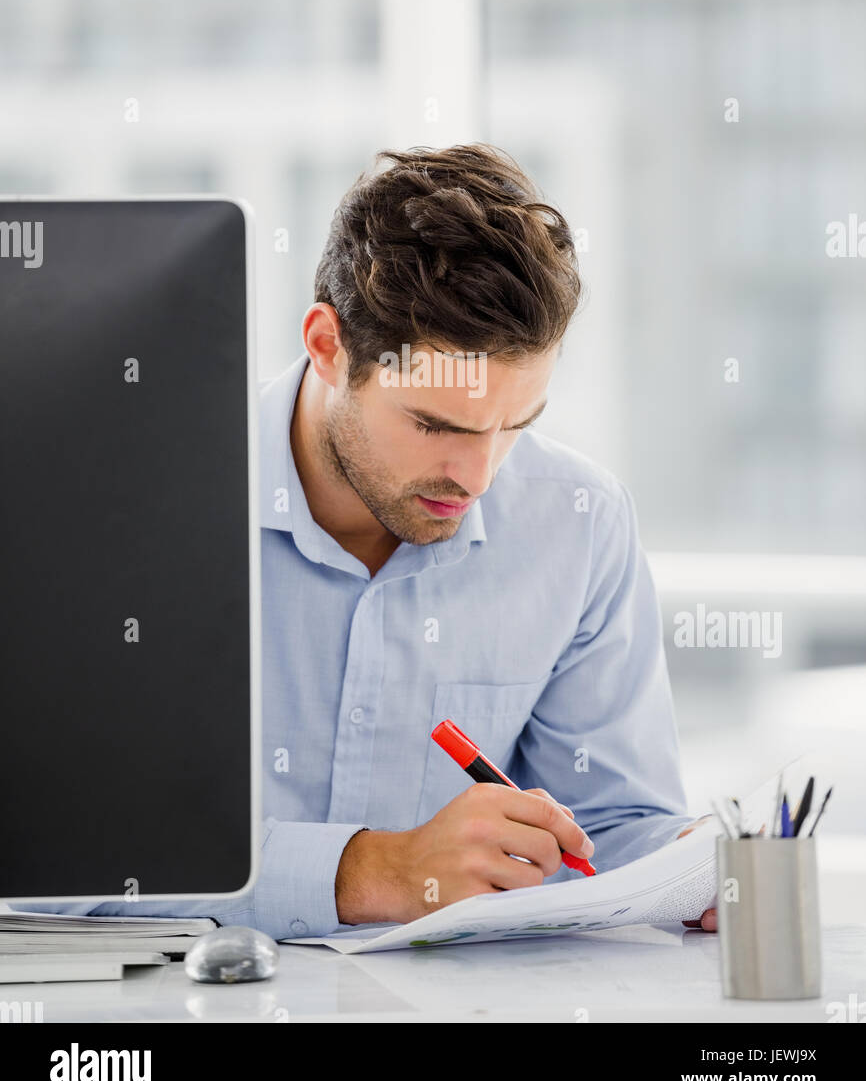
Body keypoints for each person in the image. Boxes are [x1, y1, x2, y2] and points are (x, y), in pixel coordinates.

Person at [32, 143, 716, 936]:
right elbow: (55, 864)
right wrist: (376, 872)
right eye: (433, 423)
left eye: (514, 427)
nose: (478, 476)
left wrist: (695, 865)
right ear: (328, 346)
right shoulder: (125, 502)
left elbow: (610, 828)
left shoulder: (578, 523)